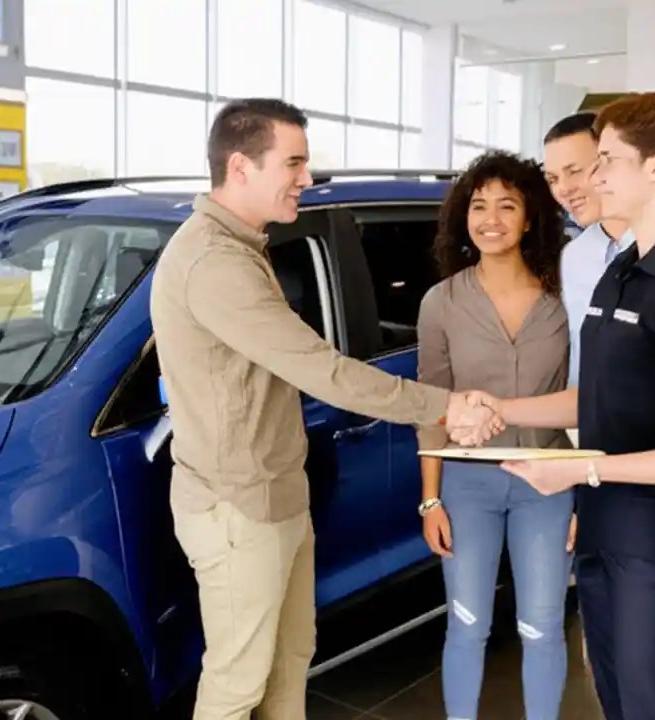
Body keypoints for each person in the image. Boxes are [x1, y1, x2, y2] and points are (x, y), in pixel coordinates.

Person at [148, 98, 503, 720]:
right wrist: (447, 407)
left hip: (276, 493)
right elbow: (320, 369)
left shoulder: (241, 244)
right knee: (238, 682)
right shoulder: (214, 261)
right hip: (239, 508)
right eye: (294, 163)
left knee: (288, 663)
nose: (306, 180)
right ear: (240, 167)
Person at [497, 91, 655, 720]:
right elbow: (601, 399)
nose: (592, 177)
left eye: (606, 160)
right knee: (616, 697)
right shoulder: (621, 269)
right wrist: (502, 409)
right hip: (606, 521)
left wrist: (582, 469)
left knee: (654, 703)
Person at [416, 150, 572, 720]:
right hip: (466, 484)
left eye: (507, 206)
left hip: (549, 483)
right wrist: (430, 497)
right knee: (467, 624)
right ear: (463, 217)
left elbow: (588, 401)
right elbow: (430, 406)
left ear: (530, 217)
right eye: (479, 206)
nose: (491, 219)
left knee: (542, 627)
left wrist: (586, 489)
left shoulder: (565, 299)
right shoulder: (442, 302)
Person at [542, 112, 635, 396]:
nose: (563, 189)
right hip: (584, 427)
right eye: (553, 178)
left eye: (574, 171)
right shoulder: (573, 257)